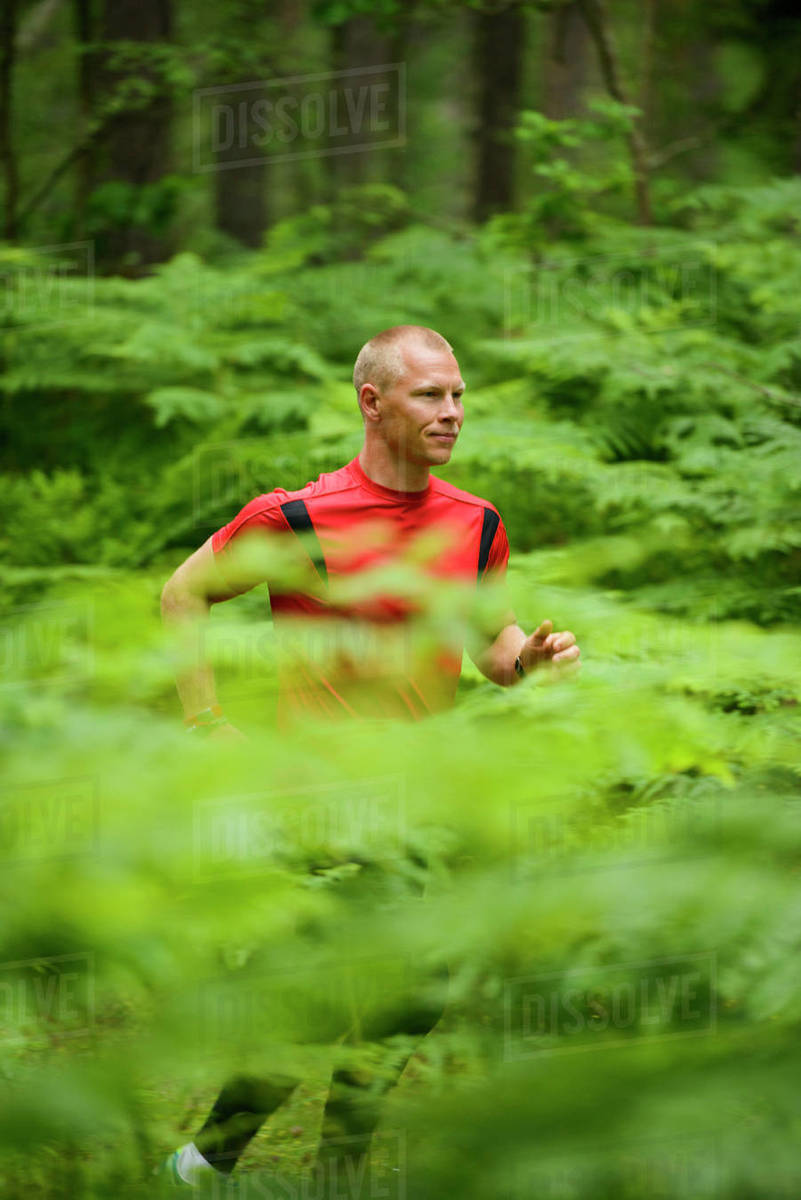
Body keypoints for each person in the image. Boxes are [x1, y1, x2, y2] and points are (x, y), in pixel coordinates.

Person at [159, 325, 580, 1189]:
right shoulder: (298, 518)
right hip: (327, 797)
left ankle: (208, 1159)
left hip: (433, 798)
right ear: (372, 402)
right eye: (430, 395)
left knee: (402, 993)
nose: (451, 412)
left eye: (458, 395)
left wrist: (527, 661)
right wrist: (206, 722)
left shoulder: (476, 522)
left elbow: (488, 648)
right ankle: (322, 1168)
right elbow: (182, 593)